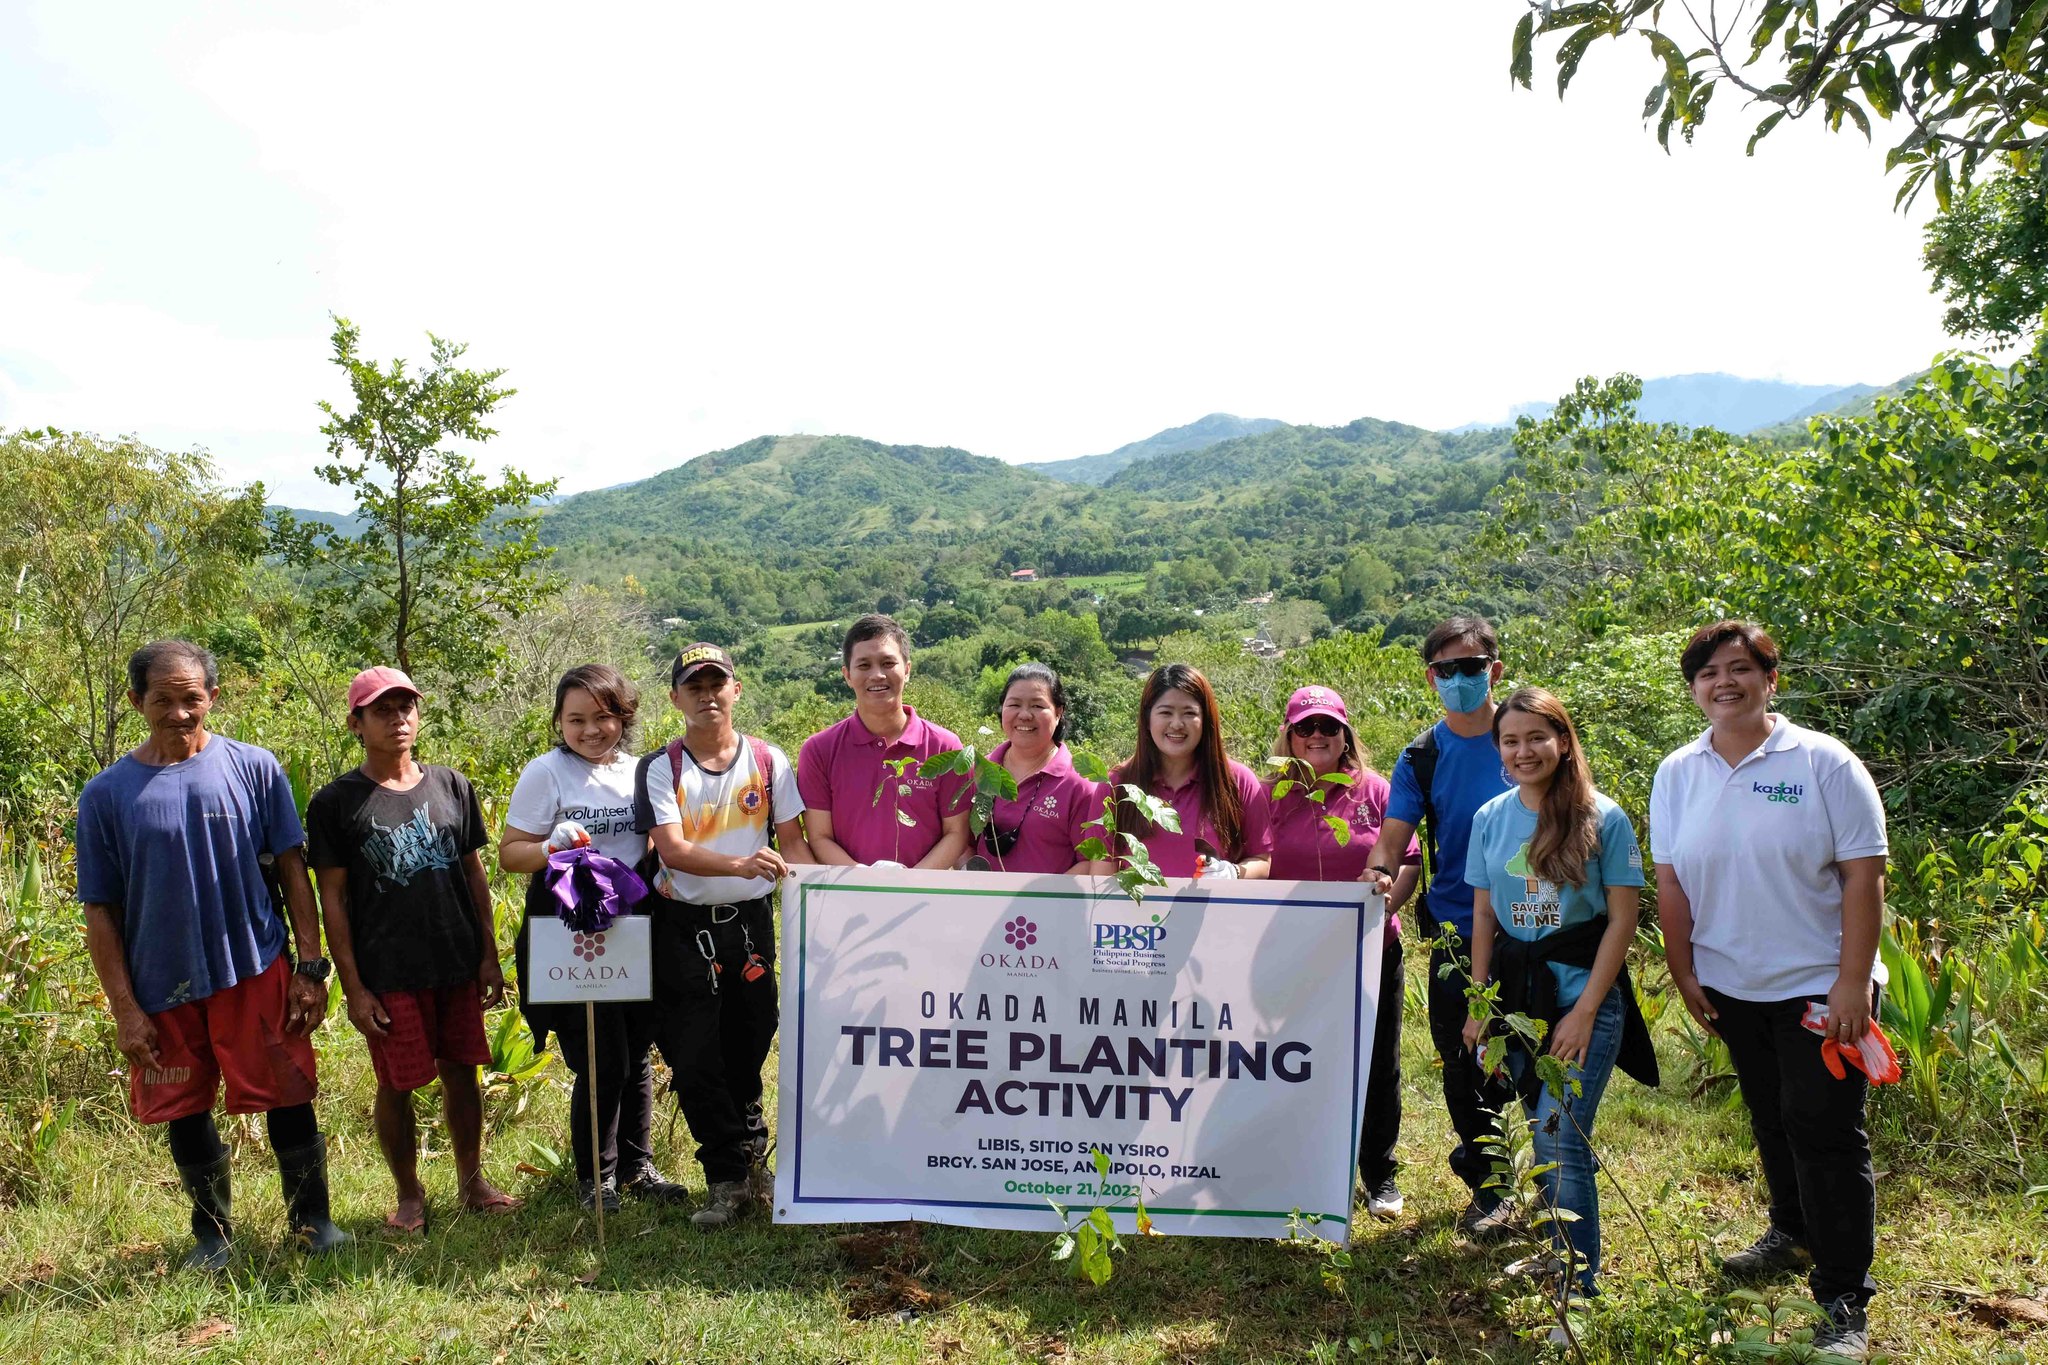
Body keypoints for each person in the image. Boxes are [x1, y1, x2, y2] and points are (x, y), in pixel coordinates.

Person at [1651, 621, 1888, 1359]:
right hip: (1732, 985)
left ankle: (1845, 1297)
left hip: (1821, 987)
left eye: (1740, 667)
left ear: (1769, 678)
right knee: (1771, 1115)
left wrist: (1852, 981)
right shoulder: (1678, 771)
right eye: (1708, 672)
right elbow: (1672, 880)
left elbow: (1864, 873)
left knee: (1824, 1130)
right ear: (1693, 688)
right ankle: (1791, 1231)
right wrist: (1685, 970)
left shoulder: (1823, 761)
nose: (1724, 681)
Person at [75, 640, 346, 1269]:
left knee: (287, 1092)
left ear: (212, 698)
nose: (178, 712)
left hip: (253, 964)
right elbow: (100, 912)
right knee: (185, 1106)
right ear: (138, 701)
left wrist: (310, 965)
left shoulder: (255, 768)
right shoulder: (106, 796)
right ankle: (211, 1236)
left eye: (191, 698)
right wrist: (124, 1009)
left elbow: (291, 866)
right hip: (160, 983)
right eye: (162, 699)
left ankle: (313, 1222)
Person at [308, 666, 521, 1232]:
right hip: (388, 970)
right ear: (356, 723)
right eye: (382, 710)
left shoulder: (451, 785)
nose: (398, 718)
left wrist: (488, 955)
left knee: (463, 1071)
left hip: (455, 959)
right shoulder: (337, 803)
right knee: (397, 1081)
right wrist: (352, 987)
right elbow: (332, 900)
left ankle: (472, 1181)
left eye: (406, 707)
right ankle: (408, 1194)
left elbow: (475, 876)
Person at [1460, 687, 1654, 1307]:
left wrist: (1585, 1011)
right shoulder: (1490, 817)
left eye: (1536, 737)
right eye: (1510, 741)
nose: (1524, 751)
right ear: (1498, 749)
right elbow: (1484, 914)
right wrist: (1481, 1004)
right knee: (1537, 1128)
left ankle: (1579, 1285)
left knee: (1559, 1133)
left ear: (1563, 741)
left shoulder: (1604, 817)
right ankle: (1556, 1250)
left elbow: (1622, 921)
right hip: (1517, 998)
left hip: (1583, 998)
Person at [635, 642, 811, 1227]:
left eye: (718, 683)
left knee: (751, 1042)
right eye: (695, 686)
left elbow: (793, 842)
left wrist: (837, 896)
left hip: (753, 927)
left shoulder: (767, 760)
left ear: (736, 689)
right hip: (684, 928)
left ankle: (754, 1164)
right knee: (693, 1055)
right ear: (676, 698)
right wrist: (740, 864)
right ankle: (725, 1179)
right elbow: (673, 850)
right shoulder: (662, 767)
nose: (708, 695)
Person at [501, 665, 684, 1211]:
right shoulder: (546, 773)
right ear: (559, 721)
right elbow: (511, 853)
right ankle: (595, 1180)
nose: (590, 730)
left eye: (603, 717)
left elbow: (658, 842)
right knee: (599, 1056)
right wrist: (551, 847)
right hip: (572, 928)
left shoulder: (641, 772)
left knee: (637, 1048)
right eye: (575, 719)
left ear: (622, 717)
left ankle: (637, 1165)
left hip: (633, 925)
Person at [1365, 614, 1518, 1239]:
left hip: (1542, 931)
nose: (1460, 679)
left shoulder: (1529, 733)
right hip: (1457, 934)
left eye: (1472, 668)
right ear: (1432, 679)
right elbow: (1391, 843)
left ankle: (1555, 1184)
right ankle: (1489, 1185)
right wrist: (1376, 878)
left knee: (1538, 1065)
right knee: (1462, 1064)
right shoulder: (1421, 757)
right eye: (1447, 670)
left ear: (1495, 671)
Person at [1266, 685, 1421, 1219]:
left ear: (1346, 732)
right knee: (1291, 1060)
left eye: (1328, 727)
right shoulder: (1270, 794)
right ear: (1288, 735)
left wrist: (1375, 918)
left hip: (1371, 952)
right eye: (1305, 727)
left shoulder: (1376, 791)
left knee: (1377, 1064)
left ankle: (1378, 1173)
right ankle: (1300, 1168)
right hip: (1291, 956)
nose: (1316, 737)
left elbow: (1409, 862)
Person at [799, 614, 971, 869]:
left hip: (925, 898)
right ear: (847, 675)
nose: (877, 675)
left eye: (888, 663)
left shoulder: (945, 747)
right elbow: (819, 836)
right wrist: (868, 884)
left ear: (907, 670)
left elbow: (957, 833)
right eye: (864, 665)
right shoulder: (819, 750)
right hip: (848, 896)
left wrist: (908, 886)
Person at [1112, 663, 1271, 880]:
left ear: (1206, 720)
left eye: (1189, 713)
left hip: (1215, 912)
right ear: (1147, 719)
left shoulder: (1238, 781)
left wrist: (1232, 873)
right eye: (1165, 712)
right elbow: (1101, 872)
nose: (1176, 724)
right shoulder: (1117, 784)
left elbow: (1262, 862)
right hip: (1134, 914)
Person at [971, 663, 1111, 875]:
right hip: (983, 903)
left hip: (1049, 906)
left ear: (1058, 712)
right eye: (1014, 705)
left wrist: (1038, 903)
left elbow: (1089, 863)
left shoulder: (1079, 784)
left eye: (1037, 706)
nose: (1025, 715)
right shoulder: (979, 770)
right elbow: (961, 840)